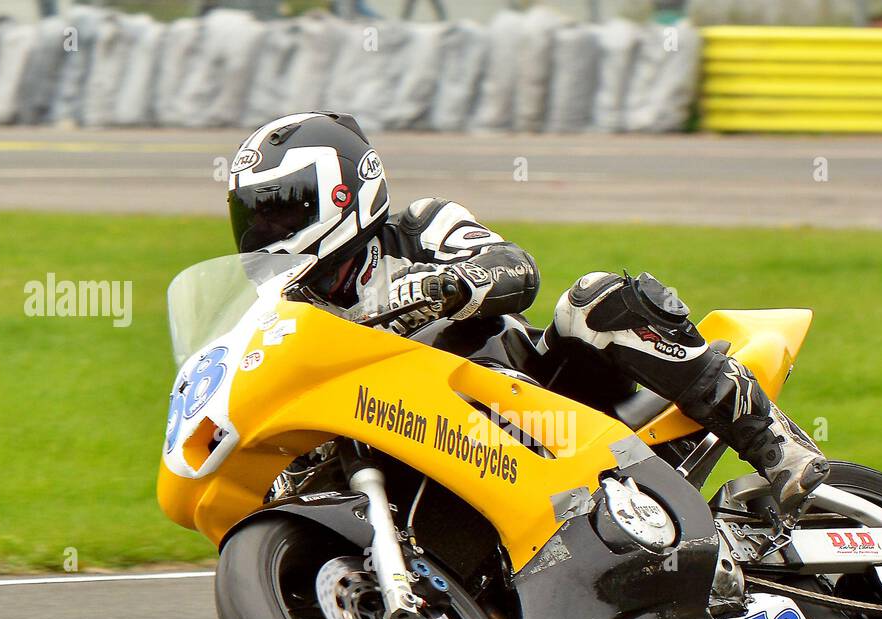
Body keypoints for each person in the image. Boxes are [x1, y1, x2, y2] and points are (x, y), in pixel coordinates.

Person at [226, 112, 828, 512]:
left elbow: (517, 269)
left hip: (540, 396)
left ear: (342, 192)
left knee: (593, 301)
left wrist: (447, 286)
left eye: (279, 208)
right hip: (422, 446)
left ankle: (773, 443)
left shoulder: (422, 225)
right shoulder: (289, 311)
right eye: (252, 214)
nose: (264, 229)